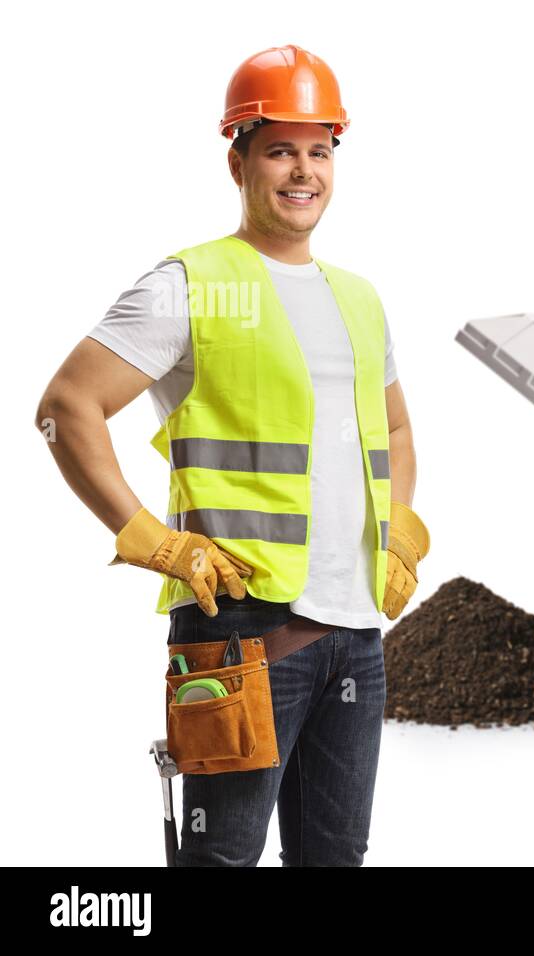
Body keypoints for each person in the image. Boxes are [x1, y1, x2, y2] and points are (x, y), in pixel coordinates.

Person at [34, 44, 430, 866]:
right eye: (281, 148)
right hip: (240, 631)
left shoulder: (360, 297)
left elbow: (393, 430)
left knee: (336, 859)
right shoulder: (194, 283)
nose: (303, 170)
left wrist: (396, 531)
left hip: (355, 633)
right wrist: (152, 536)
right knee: (221, 862)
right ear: (238, 159)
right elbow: (67, 408)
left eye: (319, 149)